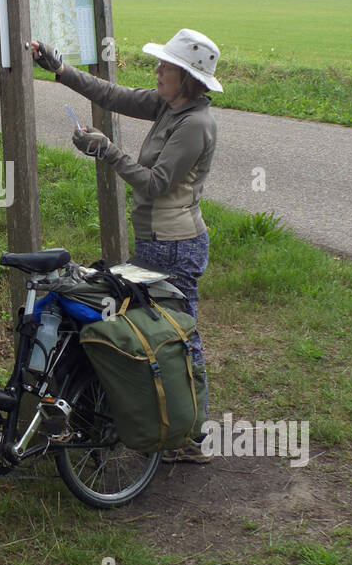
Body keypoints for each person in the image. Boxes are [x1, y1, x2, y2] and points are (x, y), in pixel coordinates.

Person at [30, 30, 220, 464]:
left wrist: (107, 150)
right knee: (156, 331)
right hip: (157, 242)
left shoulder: (195, 124)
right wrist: (59, 70)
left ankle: (193, 434)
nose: (157, 69)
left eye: (165, 65)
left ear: (187, 78)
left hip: (174, 247)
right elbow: (112, 95)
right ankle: (165, 418)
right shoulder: (170, 106)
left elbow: (155, 185)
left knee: (179, 335)